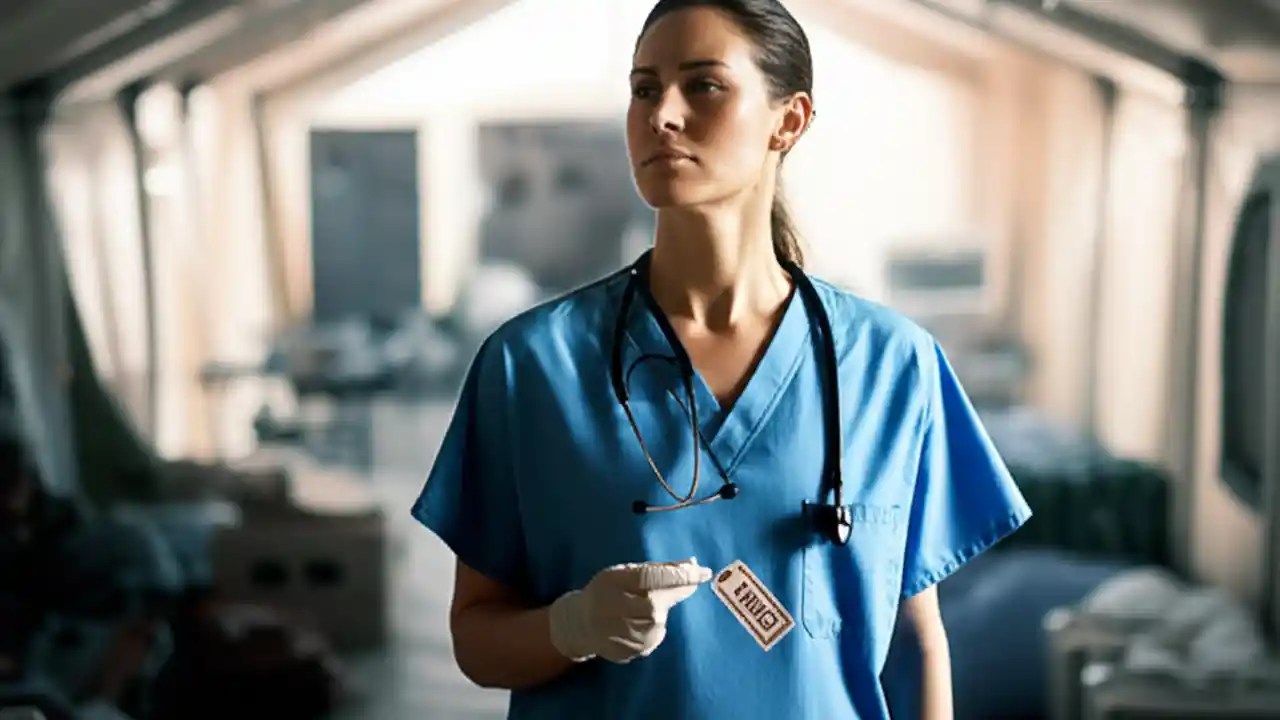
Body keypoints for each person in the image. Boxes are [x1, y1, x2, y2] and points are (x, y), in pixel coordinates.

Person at [410, 0, 1032, 717]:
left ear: (788, 120)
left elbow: (916, 637)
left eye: (702, 85)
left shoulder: (891, 367)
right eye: (644, 89)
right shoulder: (531, 368)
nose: (661, 115)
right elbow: (476, 636)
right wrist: (572, 625)